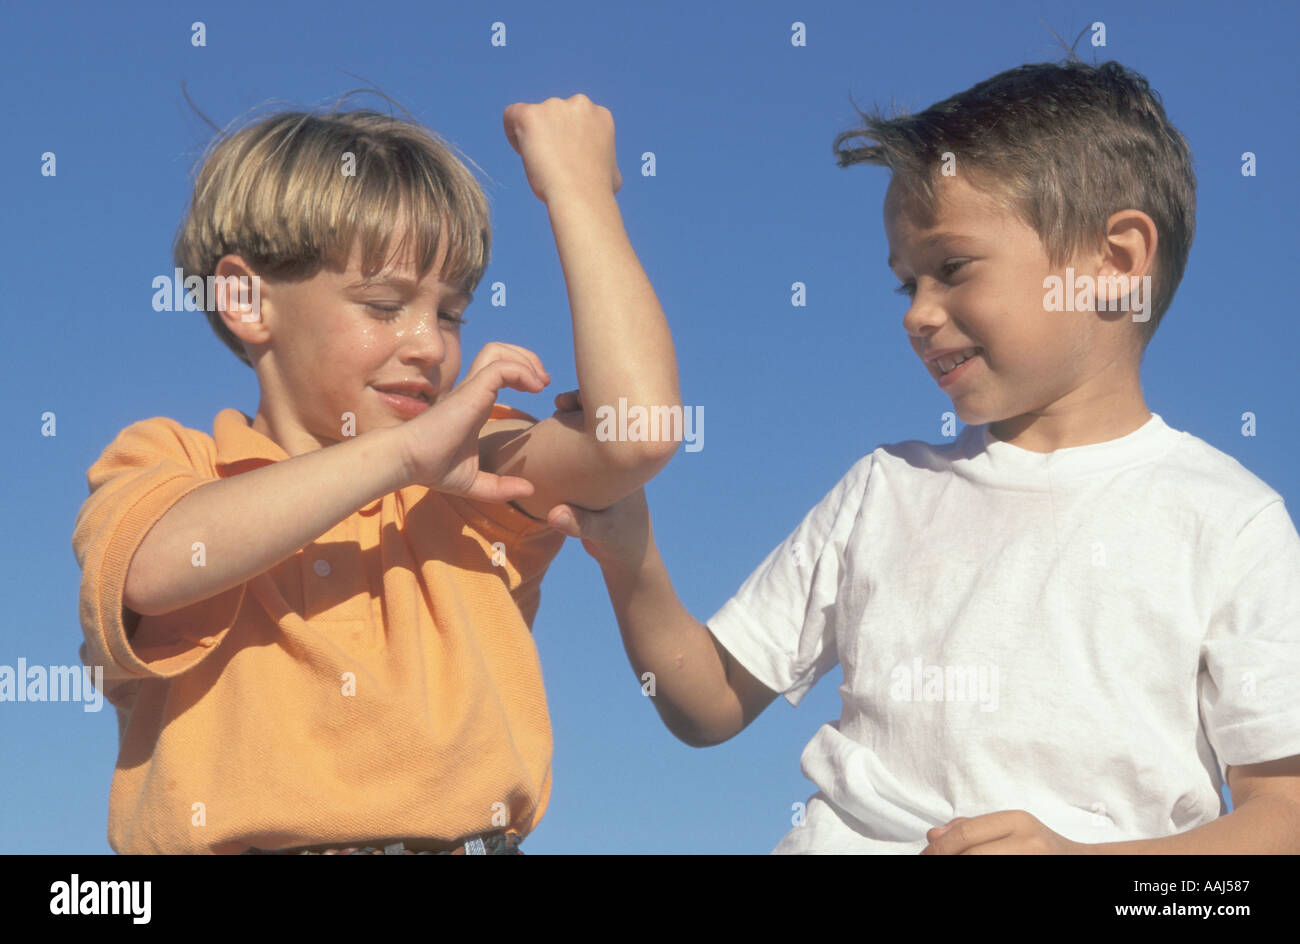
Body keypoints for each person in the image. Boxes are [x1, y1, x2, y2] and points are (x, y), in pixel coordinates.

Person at [546, 60, 1300, 853]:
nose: (917, 314)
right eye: (906, 284)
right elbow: (707, 704)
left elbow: (1280, 825)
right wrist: (629, 552)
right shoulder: (885, 489)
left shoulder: (1231, 525)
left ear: (1114, 262)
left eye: (952, 268)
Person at [72, 93, 681, 854]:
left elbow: (639, 435)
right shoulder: (171, 462)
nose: (429, 345)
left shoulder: (471, 469)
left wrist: (578, 190)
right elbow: (152, 571)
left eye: (452, 313)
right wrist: (397, 457)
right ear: (244, 299)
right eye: (385, 305)